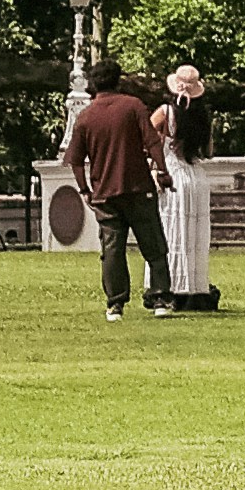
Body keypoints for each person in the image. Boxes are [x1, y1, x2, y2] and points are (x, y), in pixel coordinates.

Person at [61, 50, 175, 324]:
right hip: (137, 187)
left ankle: (115, 304)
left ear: (92, 84)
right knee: (153, 245)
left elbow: (75, 160)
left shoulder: (86, 117)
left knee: (112, 249)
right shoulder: (133, 106)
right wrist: (162, 171)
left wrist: (85, 189)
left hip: (105, 193)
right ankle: (159, 297)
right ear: (119, 80)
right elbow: (152, 142)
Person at [158, 61, 220, 312]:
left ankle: (172, 287)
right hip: (197, 177)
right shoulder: (203, 117)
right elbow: (208, 152)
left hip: (175, 175)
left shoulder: (166, 113)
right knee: (195, 235)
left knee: (173, 233)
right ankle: (195, 288)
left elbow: (147, 140)